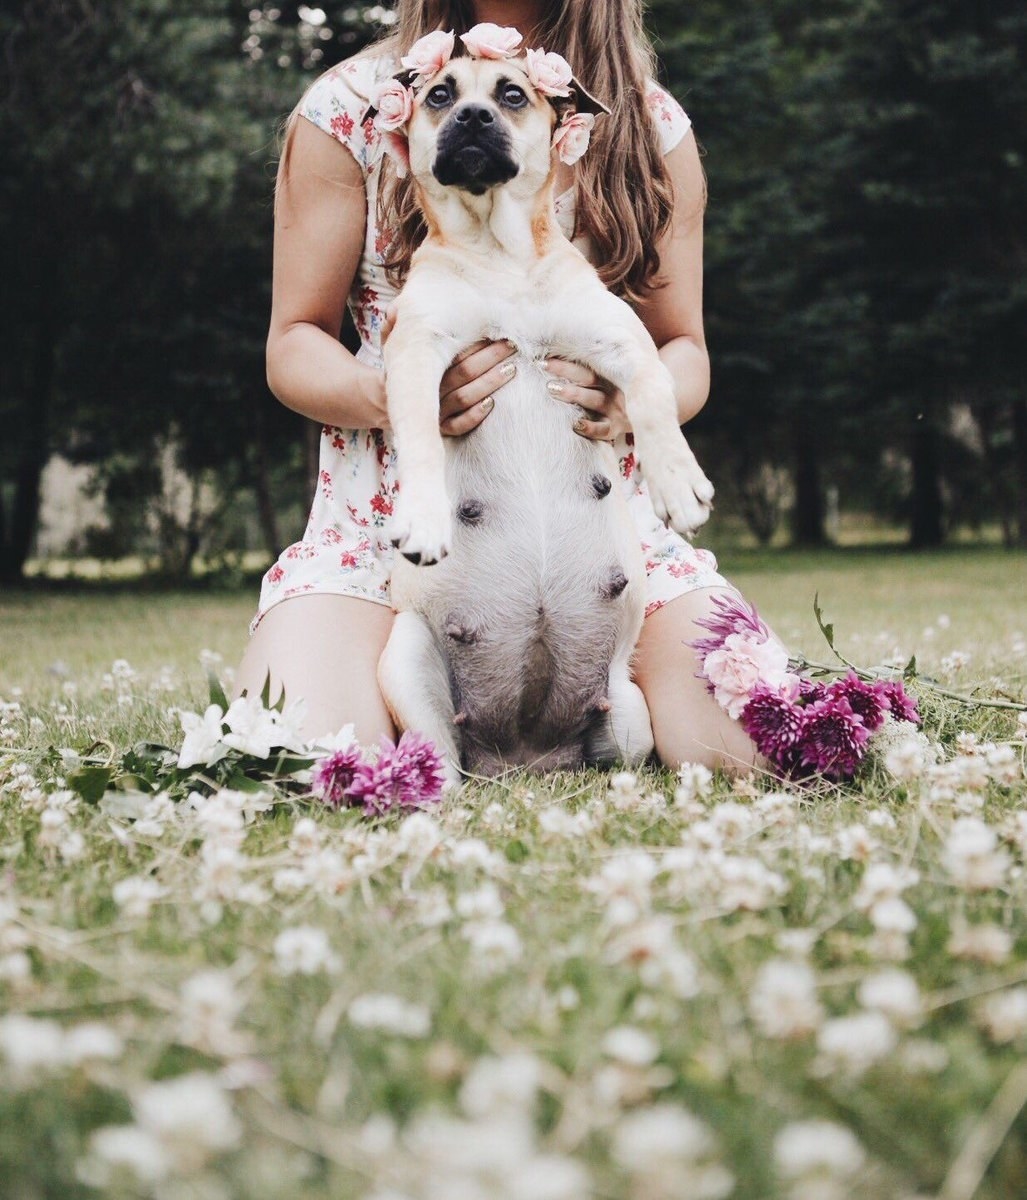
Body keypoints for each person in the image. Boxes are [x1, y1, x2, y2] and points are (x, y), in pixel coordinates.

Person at [236, 0, 770, 771]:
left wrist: (633, 407)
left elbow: (682, 347)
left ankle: (617, 716)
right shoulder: (351, 104)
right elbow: (293, 343)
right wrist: (400, 398)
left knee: (767, 751)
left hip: (604, 543)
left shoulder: (647, 122)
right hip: (389, 542)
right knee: (296, 764)